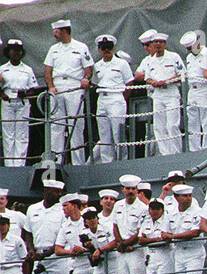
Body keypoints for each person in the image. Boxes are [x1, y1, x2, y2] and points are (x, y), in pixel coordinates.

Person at [44, 20, 94, 165]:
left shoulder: (80, 47)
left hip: (74, 86)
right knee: (56, 126)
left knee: (76, 124)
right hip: (57, 87)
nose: (54, 34)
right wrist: (51, 86)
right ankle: (56, 162)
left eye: (56, 31)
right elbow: (47, 70)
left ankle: (78, 162)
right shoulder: (53, 49)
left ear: (65, 31)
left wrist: (85, 78)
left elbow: (88, 68)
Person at [138, 33, 185, 155]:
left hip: (171, 94)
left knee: (172, 125)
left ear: (165, 44)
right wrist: (154, 82)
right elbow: (147, 77)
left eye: (161, 42)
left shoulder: (174, 57)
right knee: (159, 126)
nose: (158, 44)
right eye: (155, 42)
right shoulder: (150, 61)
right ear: (152, 44)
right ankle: (165, 153)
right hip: (158, 95)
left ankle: (175, 152)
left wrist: (167, 81)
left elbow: (182, 74)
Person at [90, 36, 133, 164]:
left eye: (108, 47)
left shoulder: (122, 63)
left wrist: (122, 99)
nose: (106, 50)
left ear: (113, 48)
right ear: (99, 50)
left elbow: (129, 83)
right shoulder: (97, 66)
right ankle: (106, 162)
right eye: (103, 48)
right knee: (104, 134)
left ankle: (122, 160)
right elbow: (95, 82)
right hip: (102, 98)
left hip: (116, 97)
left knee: (118, 133)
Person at [1, 41, 38, 167]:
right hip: (7, 102)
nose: (16, 52)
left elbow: (33, 88)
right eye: (13, 50)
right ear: (8, 52)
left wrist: (26, 93)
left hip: (22, 102)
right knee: (8, 134)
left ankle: (20, 164)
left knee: (22, 134)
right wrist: (2, 95)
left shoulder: (27, 69)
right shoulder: (2, 69)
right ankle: (9, 165)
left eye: (18, 50)